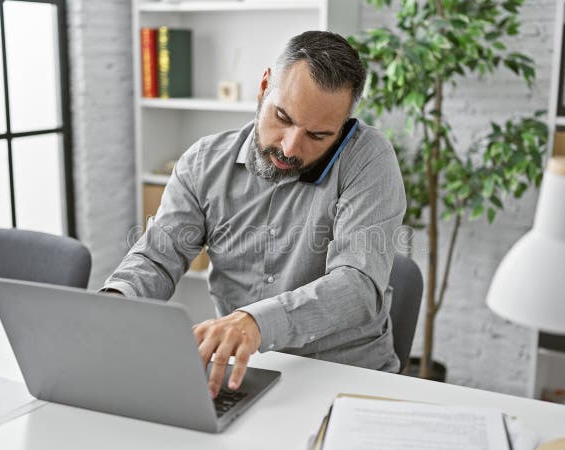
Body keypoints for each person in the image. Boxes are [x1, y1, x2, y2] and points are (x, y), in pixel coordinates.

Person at [102, 31, 406, 398]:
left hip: (347, 377)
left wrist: (257, 322)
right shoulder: (203, 162)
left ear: (342, 126)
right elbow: (157, 257)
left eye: (318, 136)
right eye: (283, 117)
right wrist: (117, 301)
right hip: (242, 375)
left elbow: (358, 286)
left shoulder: (368, 158)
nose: (290, 148)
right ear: (264, 87)